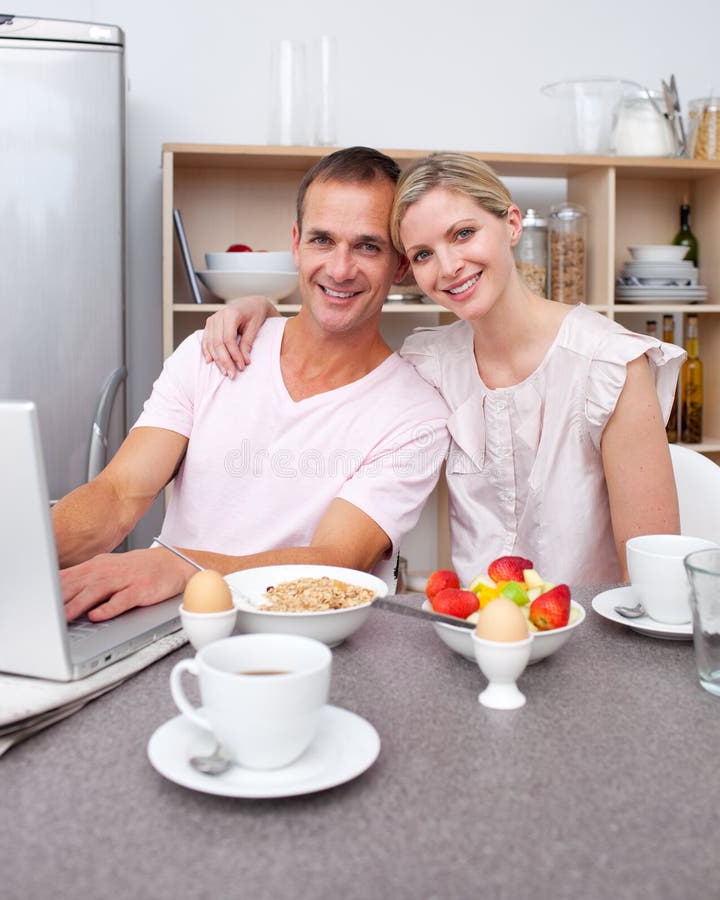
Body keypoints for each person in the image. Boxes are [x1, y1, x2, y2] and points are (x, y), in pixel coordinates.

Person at [202, 152, 684, 586]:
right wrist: (259, 308)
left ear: (512, 224)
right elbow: (335, 342)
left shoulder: (610, 366)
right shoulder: (430, 364)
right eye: (424, 254)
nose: (449, 267)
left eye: (464, 234)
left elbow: (653, 582)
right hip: (473, 639)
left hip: (586, 644)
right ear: (407, 269)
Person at [53, 146, 449, 622]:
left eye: (368, 246)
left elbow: (337, 561)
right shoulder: (214, 352)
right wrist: (19, 558)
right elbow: (118, 496)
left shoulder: (416, 414)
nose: (340, 269)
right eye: (323, 240)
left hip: (314, 640)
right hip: (170, 626)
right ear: (297, 243)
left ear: (400, 264)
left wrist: (181, 567)